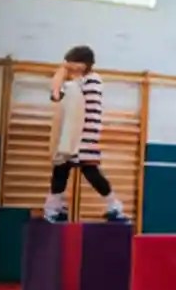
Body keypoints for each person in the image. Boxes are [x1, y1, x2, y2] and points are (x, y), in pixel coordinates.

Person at [43, 46, 130, 223]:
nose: (70, 66)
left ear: (84, 64)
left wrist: (62, 71)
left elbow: (60, 93)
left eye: (73, 62)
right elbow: (56, 95)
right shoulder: (77, 82)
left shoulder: (92, 80)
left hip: (85, 134)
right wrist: (63, 74)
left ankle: (115, 206)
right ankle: (54, 208)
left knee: (90, 171)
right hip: (74, 133)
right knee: (61, 169)